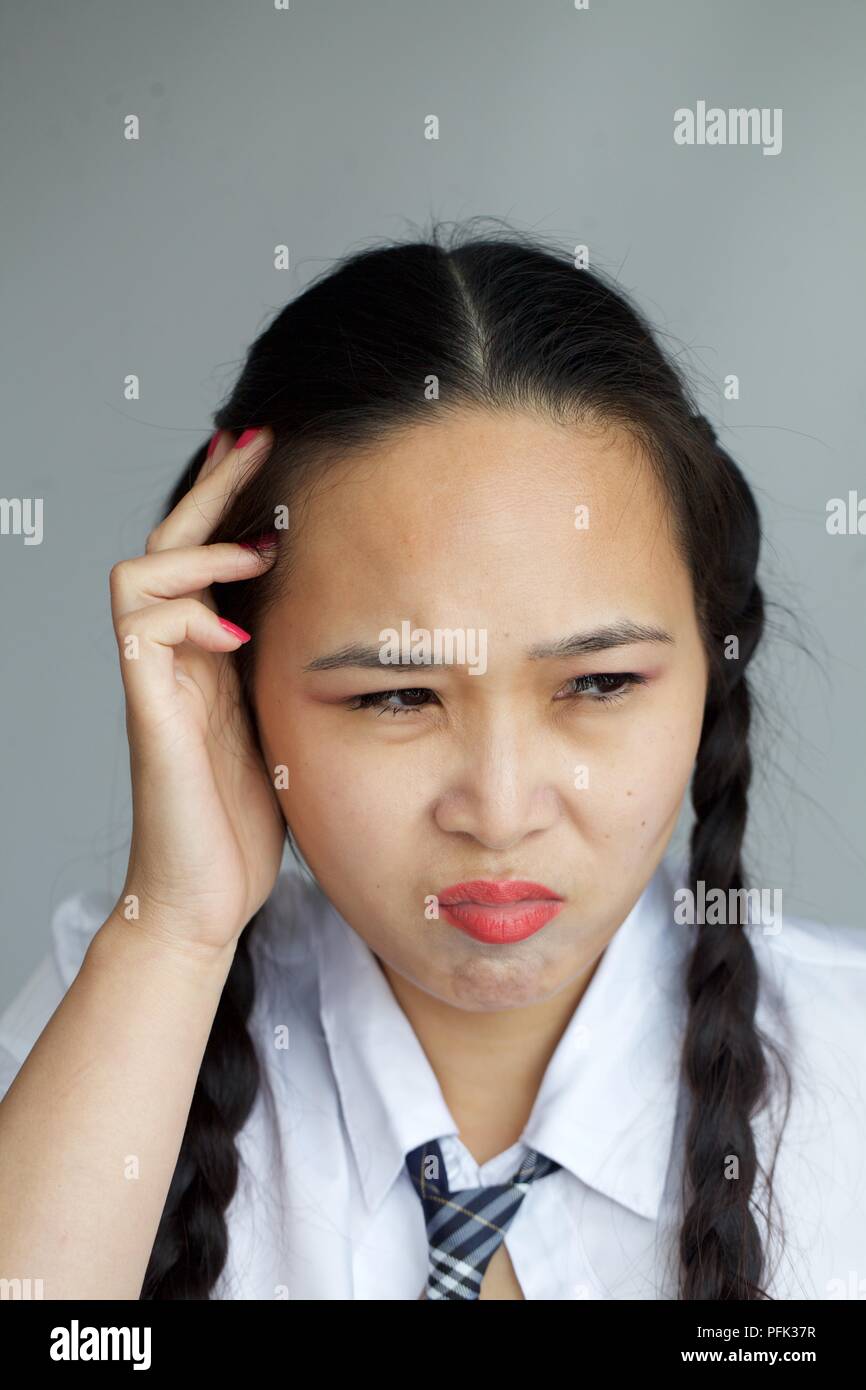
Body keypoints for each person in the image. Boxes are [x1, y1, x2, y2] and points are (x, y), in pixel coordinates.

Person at [1, 223, 864, 1301]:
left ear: (708, 660)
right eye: (394, 696)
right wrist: (175, 930)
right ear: (235, 686)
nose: (498, 812)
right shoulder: (125, 1014)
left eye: (596, 685)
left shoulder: (850, 1066)